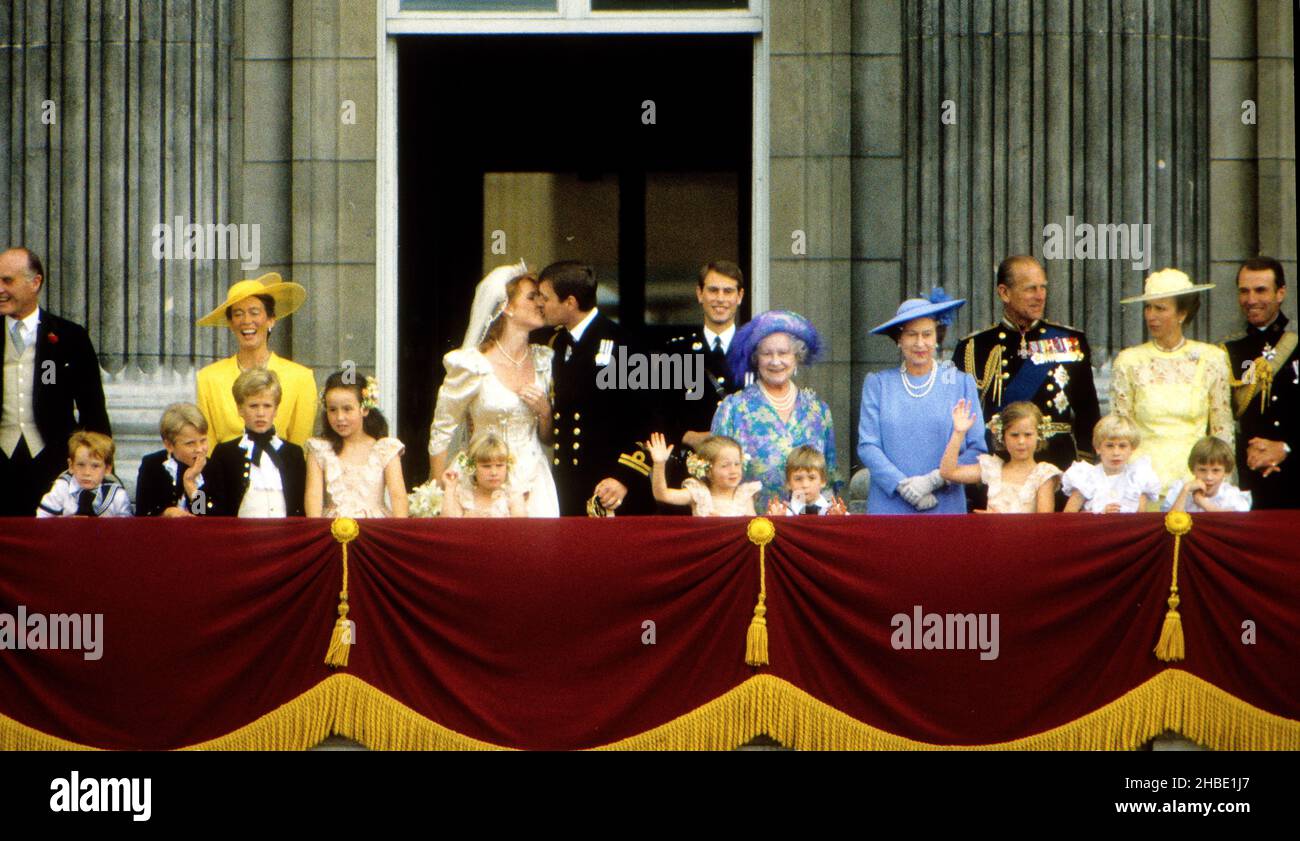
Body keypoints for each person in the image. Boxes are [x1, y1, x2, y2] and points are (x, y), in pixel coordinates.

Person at [428, 262, 558, 517]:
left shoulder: (545, 360)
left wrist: (544, 411)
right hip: (479, 479)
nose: (540, 304)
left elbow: (548, 438)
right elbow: (442, 428)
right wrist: (439, 488)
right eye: (531, 297)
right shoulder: (472, 364)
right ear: (506, 307)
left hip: (532, 481)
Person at [953, 256, 1100, 474]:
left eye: (1043, 288)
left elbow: (1088, 413)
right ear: (1004, 293)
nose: (1040, 296)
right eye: (1030, 289)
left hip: (1057, 465)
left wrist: (1084, 471)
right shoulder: (974, 347)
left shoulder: (1070, 342)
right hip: (1000, 469)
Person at [538, 260, 656, 516]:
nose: (540, 304)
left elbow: (650, 421)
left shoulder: (623, 345)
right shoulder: (557, 343)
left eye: (545, 298)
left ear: (570, 302)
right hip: (568, 487)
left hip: (611, 490)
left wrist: (624, 477)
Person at [0, 247, 112, 516]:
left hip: (53, 466)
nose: (0, 289)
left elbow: (92, 410)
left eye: (7, 281)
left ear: (35, 282)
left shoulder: (70, 336)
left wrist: (103, 479)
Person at [858, 290, 987, 514]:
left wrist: (933, 480)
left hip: (943, 504)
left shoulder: (961, 383)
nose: (920, 343)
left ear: (937, 336)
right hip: (890, 506)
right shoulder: (878, 384)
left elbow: (977, 447)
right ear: (899, 339)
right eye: (911, 335)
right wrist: (902, 486)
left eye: (927, 334)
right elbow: (868, 446)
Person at [1112, 268, 1233, 494]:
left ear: (1182, 314)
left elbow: (1221, 428)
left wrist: (1221, 486)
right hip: (1141, 482)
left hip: (1197, 480)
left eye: (1160, 308)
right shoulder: (1128, 361)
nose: (1151, 315)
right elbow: (1121, 430)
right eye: (1148, 307)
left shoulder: (1211, 359)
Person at [711, 310, 837, 512]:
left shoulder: (817, 410)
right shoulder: (734, 408)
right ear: (756, 359)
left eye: (783, 353)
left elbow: (830, 476)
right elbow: (714, 477)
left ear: (797, 357)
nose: (775, 361)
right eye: (767, 354)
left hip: (806, 527)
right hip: (749, 526)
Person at [195, 273, 316, 452]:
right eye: (238, 314)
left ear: (270, 319)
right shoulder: (208, 378)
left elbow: (300, 451)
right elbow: (208, 448)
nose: (246, 321)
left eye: (254, 312)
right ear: (230, 322)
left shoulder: (300, 378)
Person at [1221, 257, 1298, 509]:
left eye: (1260, 290)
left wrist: (1285, 447)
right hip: (1248, 480)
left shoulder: (1295, 342)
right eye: (1244, 291)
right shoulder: (1228, 349)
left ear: (1281, 293)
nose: (1251, 299)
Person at [662, 260, 747, 450]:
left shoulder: (755, 352)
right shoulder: (676, 353)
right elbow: (658, 415)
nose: (720, 298)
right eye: (713, 290)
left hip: (742, 469)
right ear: (700, 294)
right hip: (690, 468)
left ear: (739, 296)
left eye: (728, 291)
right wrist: (687, 436)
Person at [202, 368, 306, 517]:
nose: (261, 413)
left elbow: (301, 504)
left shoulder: (293, 453)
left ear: (276, 409)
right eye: (253, 406)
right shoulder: (225, 453)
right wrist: (193, 488)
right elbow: (212, 508)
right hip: (242, 537)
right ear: (240, 409)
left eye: (267, 406)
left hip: (286, 537)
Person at [305, 371, 408, 518]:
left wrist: (398, 536)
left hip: (374, 528)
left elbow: (398, 497)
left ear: (364, 409)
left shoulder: (385, 449)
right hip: (332, 528)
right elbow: (313, 496)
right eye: (333, 410)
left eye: (347, 409)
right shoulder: (319, 449)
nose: (340, 417)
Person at [940, 399, 1061, 513]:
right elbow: (948, 472)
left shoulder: (1043, 475)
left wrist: (1001, 520)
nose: (1021, 441)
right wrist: (958, 433)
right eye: (1014, 435)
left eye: (1028, 434)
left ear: (1038, 436)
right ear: (1003, 437)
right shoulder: (993, 468)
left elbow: (1044, 524)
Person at [1062, 414, 1162, 514]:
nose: (1116, 453)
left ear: (1132, 449)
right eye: (1109, 446)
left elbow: (1141, 519)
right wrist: (1099, 514)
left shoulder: (1139, 477)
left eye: (1122, 446)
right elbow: (1069, 517)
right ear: (1097, 448)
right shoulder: (1085, 477)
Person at [647, 431, 760, 517]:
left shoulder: (745, 495)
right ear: (708, 471)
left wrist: (774, 517)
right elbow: (662, 495)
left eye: (737, 464)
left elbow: (752, 529)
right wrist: (659, 463)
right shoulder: (699, 493)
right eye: (725, 466)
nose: (733, 470)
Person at [135, 403, 210, 517]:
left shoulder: (213, 467)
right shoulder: (152, 465)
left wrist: (191, 485)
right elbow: (142, 513)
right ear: (169, 445)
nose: (199, 449)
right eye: (190, 443)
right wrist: (165, 513)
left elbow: (207, 518)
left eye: (203, 440)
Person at [36, 431, 132, 517]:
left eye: (95, 466)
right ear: (71, 465)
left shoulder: (117, 494)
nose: (87, 473)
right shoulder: (62, 487)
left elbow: (127, 528)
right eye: (81, 465)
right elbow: (42, 518)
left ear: (107, 469)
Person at [438, 430, 526, 518]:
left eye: (499, 465)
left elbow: (520, 528)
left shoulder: (511, 497)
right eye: (486, 466)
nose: (494, 473)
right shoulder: (463, 497)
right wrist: (449, 488)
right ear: (473, 468)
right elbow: (447, 526)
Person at [1163, 436, 1252, 514]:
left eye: (1216, 470)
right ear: (1193, 469)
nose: (1209, 477)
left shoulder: (1231, 495)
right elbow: (1170, 524)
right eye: (1202, 470)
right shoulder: (1181, 489)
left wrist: (1202, 502)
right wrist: (1185, 491)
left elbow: (1233, 522)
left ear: (1226, 471)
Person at [765, 445, 848, 516]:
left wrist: (840, 522)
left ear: (823, 481)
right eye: (798, 479)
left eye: (811, 478)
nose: (805, 485)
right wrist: (777, 522)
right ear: (788, 483)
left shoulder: (836, 512)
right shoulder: (781, 513)